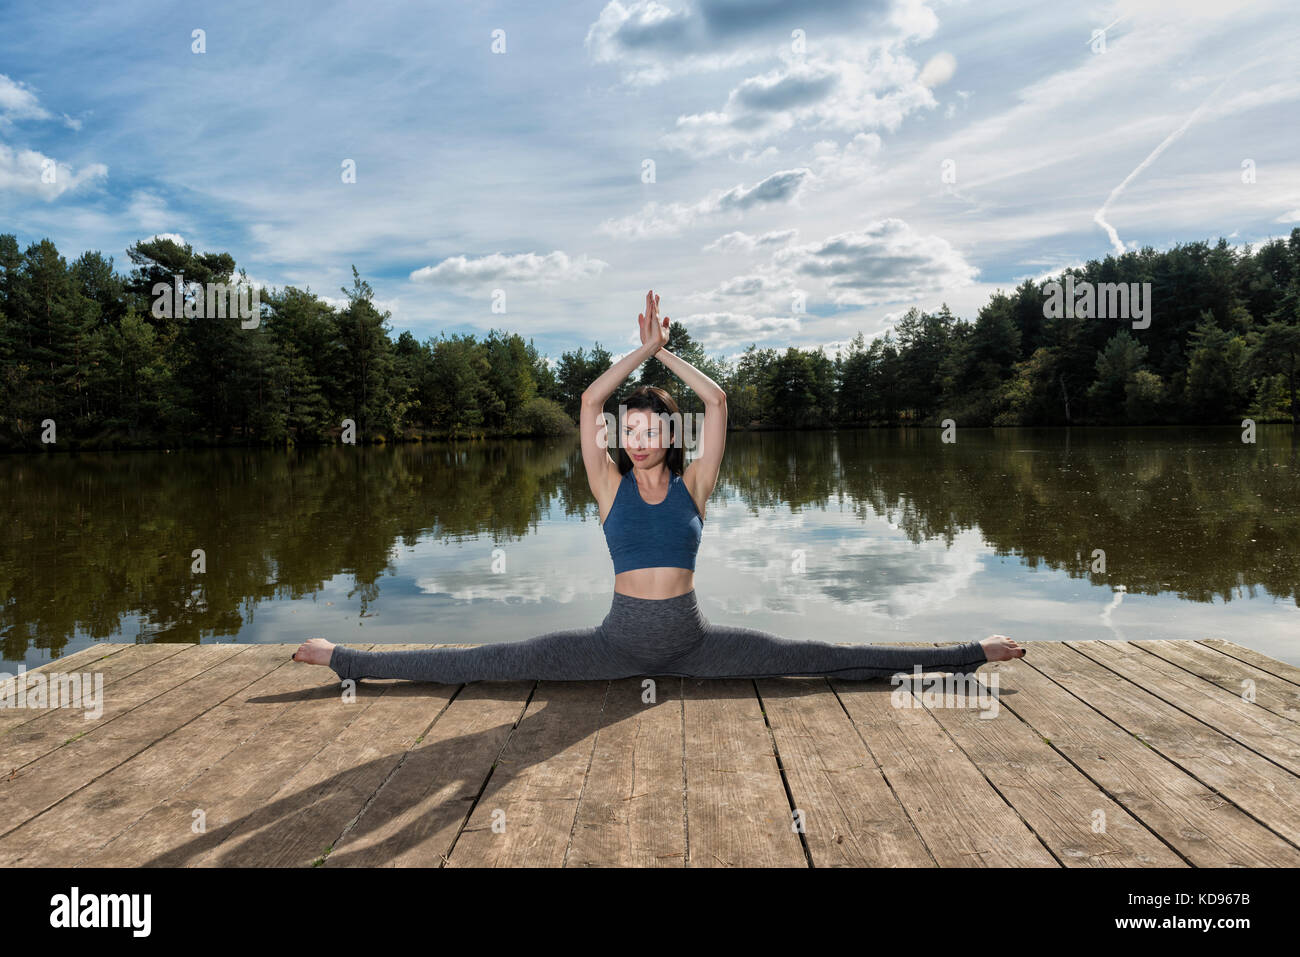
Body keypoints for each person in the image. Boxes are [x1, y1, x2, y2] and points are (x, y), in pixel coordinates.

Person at [293, 289, 1025, 682]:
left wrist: (666, 360)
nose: (638, 437)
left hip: (695, 642)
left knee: (819, 655)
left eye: (650, 428)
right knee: (483, 662)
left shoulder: (696, 484)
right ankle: (342, 657)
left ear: (668, 438)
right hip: (612, 645)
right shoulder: (607, 485)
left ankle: (970, 653)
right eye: (629, 429)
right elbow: (587, 403)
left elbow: (718, 404)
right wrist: (638, 352)